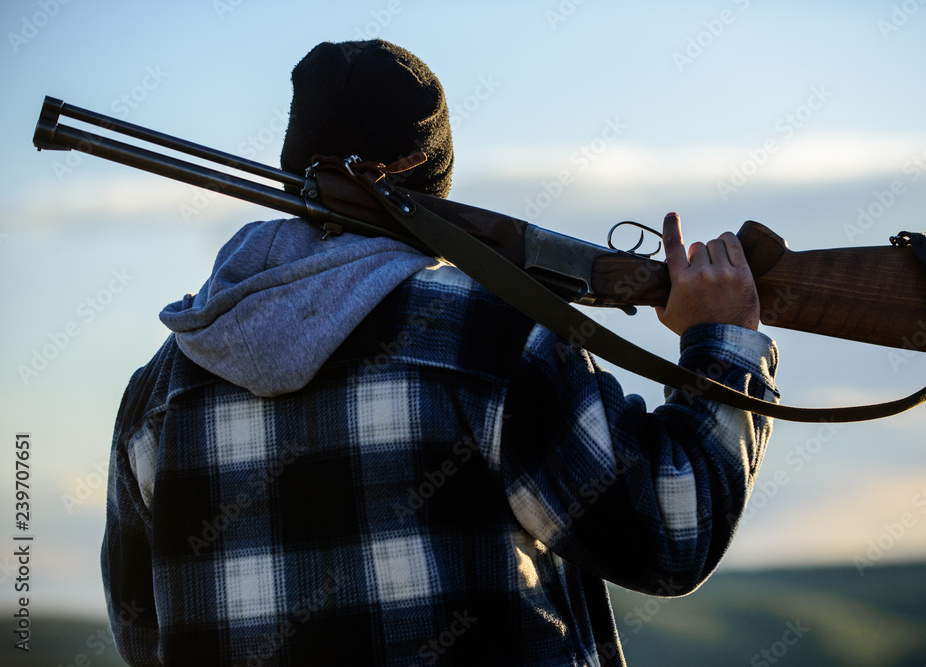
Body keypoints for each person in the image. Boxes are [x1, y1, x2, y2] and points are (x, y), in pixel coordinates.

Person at [101, 39, 778, 666]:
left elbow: (142, 630)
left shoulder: (159, 389)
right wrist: (721, 343)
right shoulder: (498, 335)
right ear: (437, 178)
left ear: (290, 174)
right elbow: (670, 529)